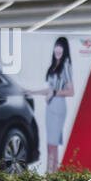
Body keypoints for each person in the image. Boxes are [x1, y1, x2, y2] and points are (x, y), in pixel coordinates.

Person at [32, 37, 74, 173]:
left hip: (58, 105)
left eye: (60, 46)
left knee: (53, 143)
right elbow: (49, 89)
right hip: (50, 106)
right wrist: (32, 91)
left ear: (64, 49)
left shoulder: (66, 65)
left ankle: (52, 173)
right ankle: (51, 172)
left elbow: (70, 90)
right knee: (50, 145)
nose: (58, 49)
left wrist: (54, 92)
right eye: (56, 46)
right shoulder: (54, 66)